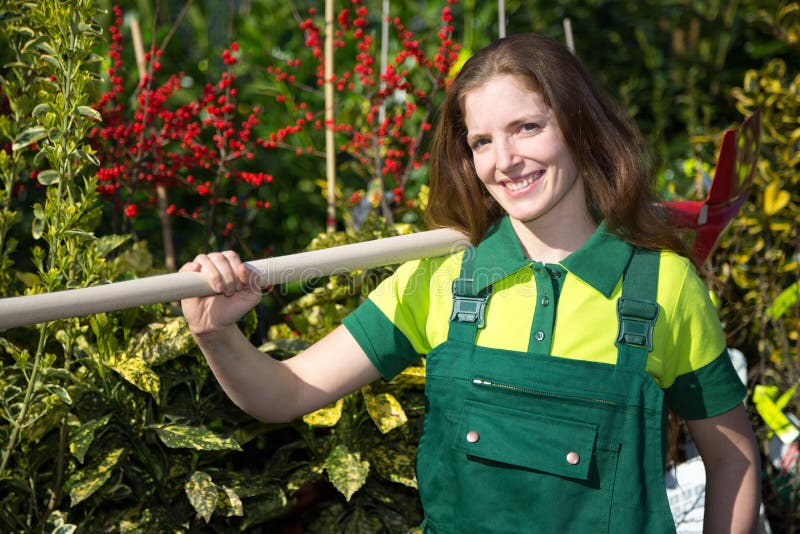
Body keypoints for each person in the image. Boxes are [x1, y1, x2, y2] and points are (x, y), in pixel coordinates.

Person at [181, 33, 760, 533]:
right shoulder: (442, 280)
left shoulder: (661, 288)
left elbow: (732, 460)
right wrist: (216, 335)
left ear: (579, 127)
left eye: (527, 127)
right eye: (482, 141)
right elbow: (285, 393)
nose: (504, 160)